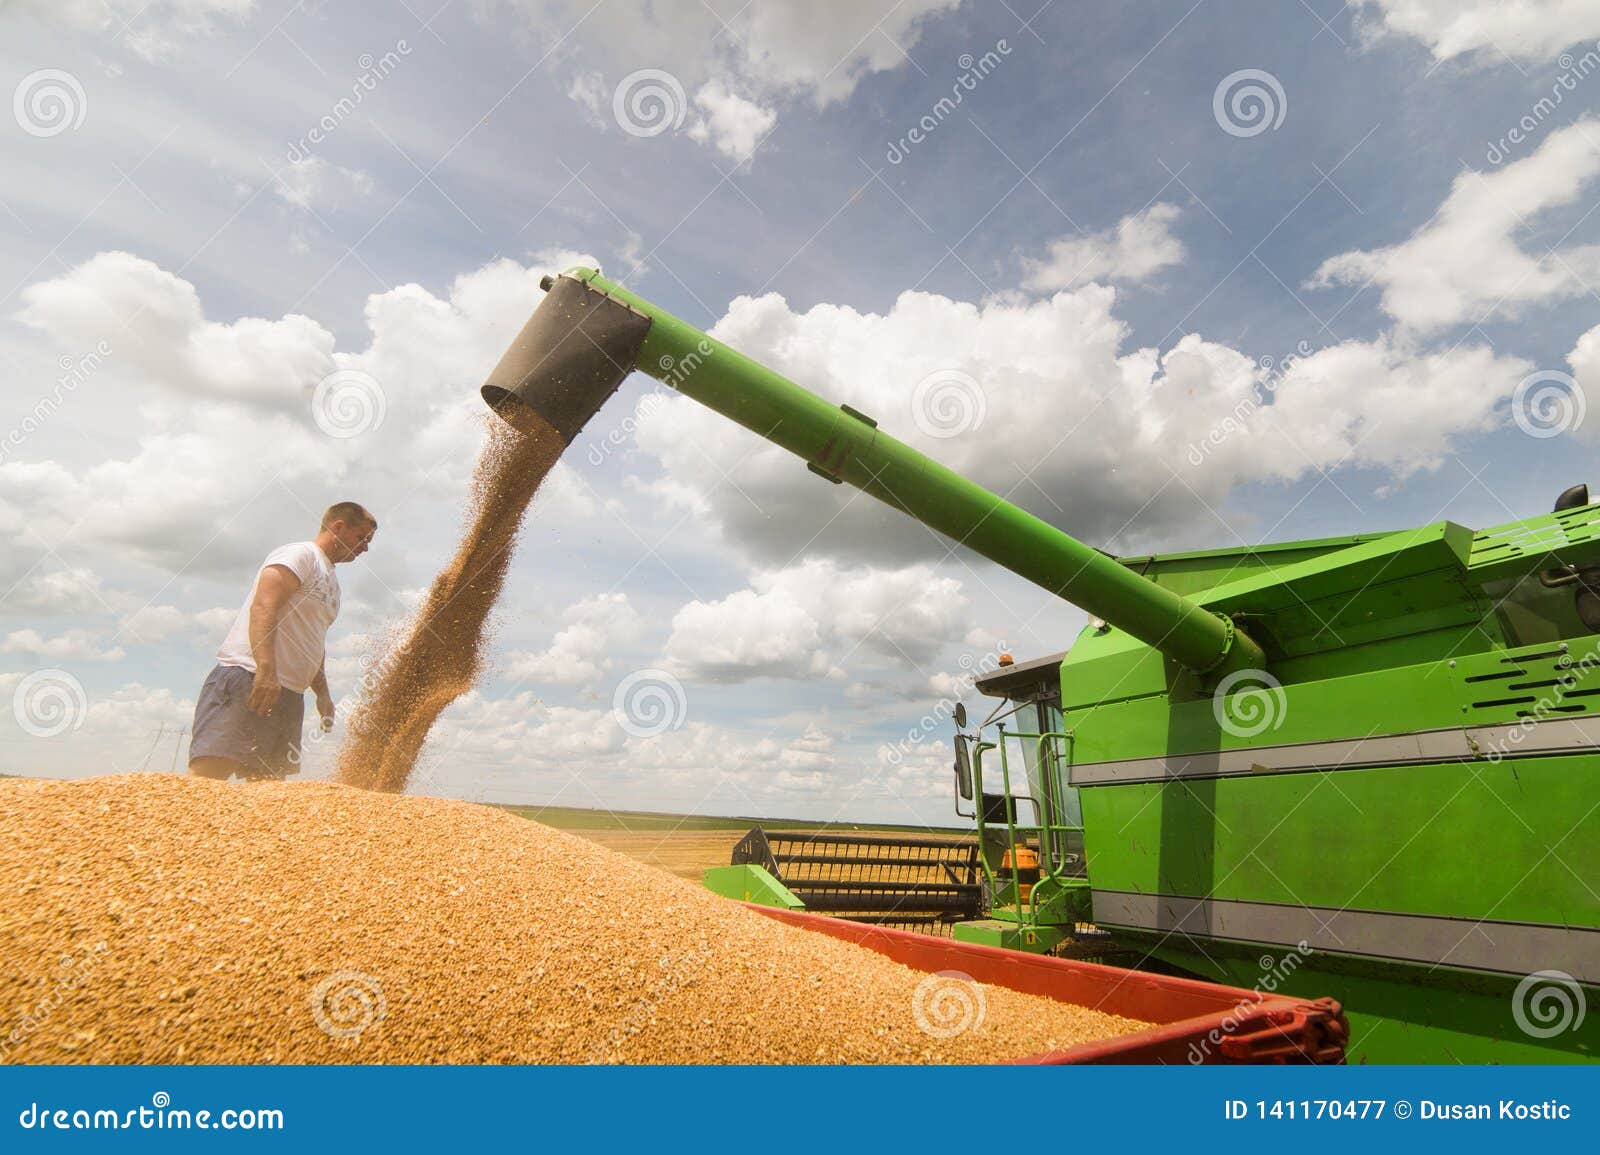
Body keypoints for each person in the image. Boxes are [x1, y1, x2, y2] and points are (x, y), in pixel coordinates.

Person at [188, 502, 377, 782]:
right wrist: (265, 670)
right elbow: (264, 606)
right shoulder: (301, 555)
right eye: (361, 537)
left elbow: (314, 640)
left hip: (290, 695)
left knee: (269, 790)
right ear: (338, 527)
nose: (365, 548)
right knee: (209, 775)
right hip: (249, 678)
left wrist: (322, 693)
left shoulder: (333, 584)